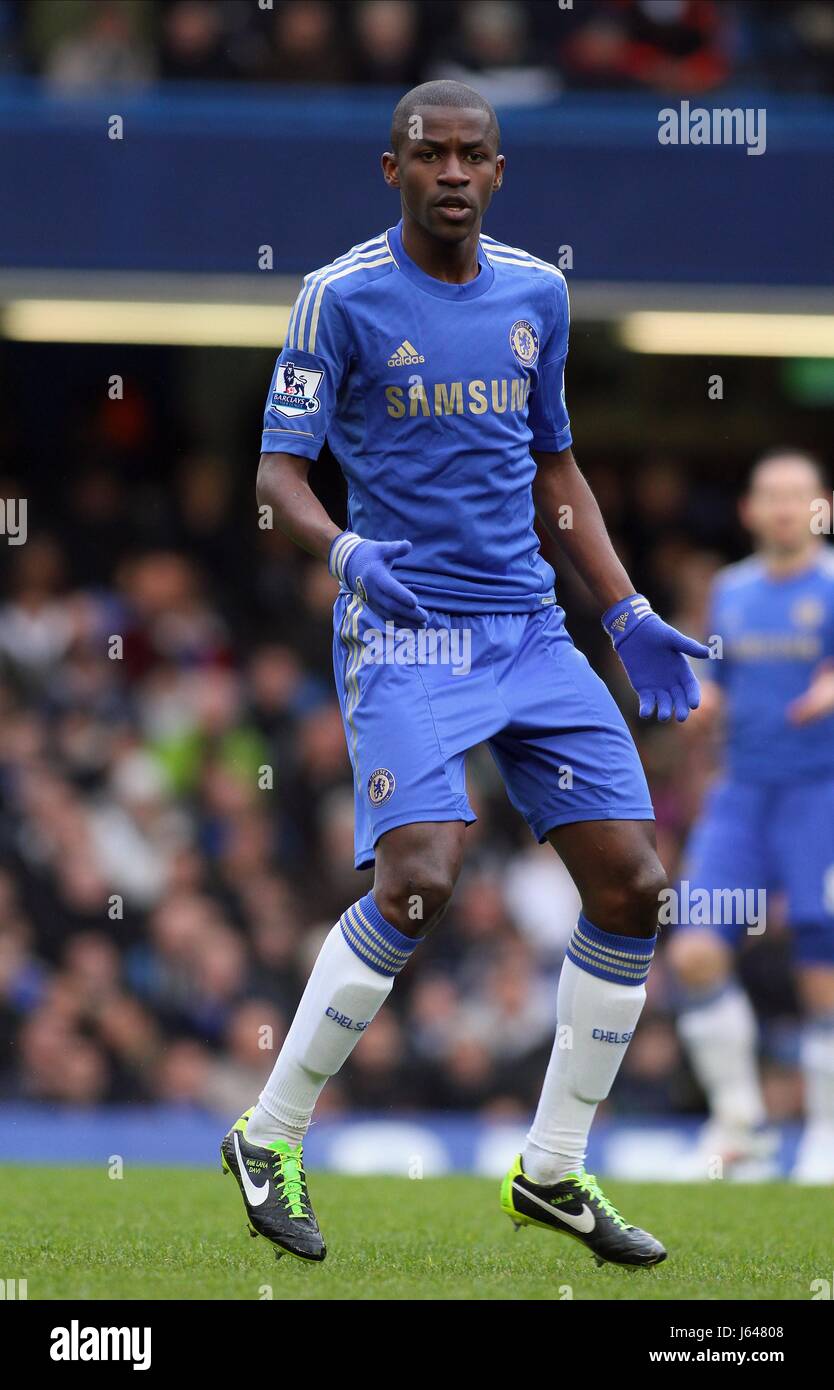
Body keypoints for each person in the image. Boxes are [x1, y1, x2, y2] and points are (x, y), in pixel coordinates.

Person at [221, 79, 709, 1267]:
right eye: (427, 154)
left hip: (533, 632)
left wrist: (627, 603)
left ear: (499, 174)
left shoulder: (539, 293)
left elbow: (556, 467)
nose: (450, 171)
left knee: (636, 885)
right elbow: (274, 482)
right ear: (390, 171)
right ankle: (268, 1133)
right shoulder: (336, 297)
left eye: (470, 156)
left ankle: (550, 1171)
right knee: (423, 876)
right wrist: (344, 550)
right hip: (406, 630)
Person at [668, 449, 834, 1183]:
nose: (781, 508)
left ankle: (827, 1133)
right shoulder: (729, 593)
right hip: (742, 796)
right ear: (748, 510)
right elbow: (716, 681)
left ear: (820, 507)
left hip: (820, 794)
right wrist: (700, 702)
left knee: (820, 966)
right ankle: (740, 1124)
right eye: (769, 495)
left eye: (795, 495)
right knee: (694, 951)